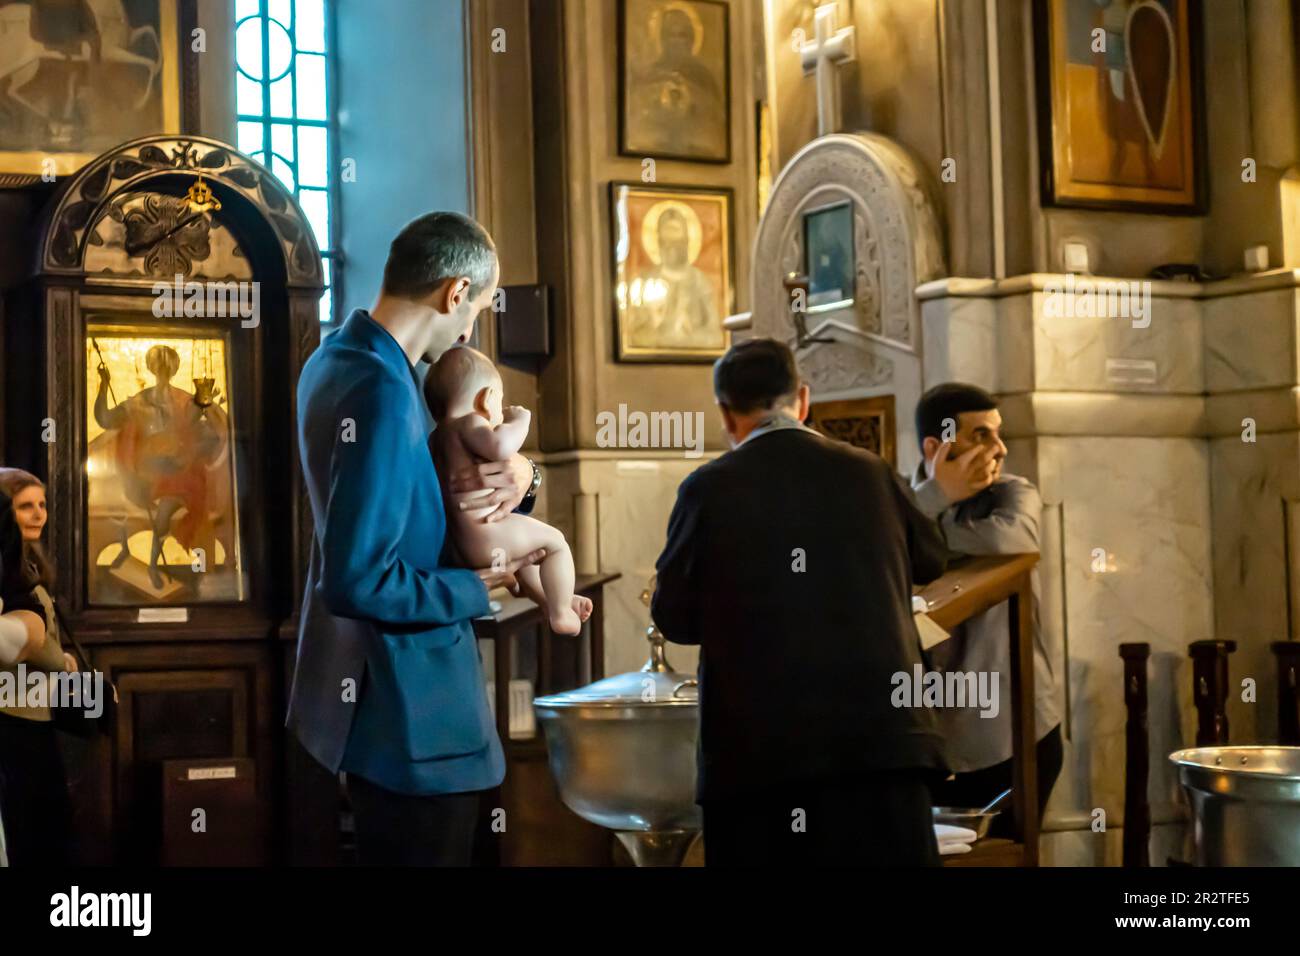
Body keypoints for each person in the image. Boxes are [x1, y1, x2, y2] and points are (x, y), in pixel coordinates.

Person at [289, 212, 545, 866]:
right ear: (455, 293)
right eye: (478, 310)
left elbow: (426, 494)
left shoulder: (342, 359)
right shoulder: (380, 390)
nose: (469, 331)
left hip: (376, 706)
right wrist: (473, 589)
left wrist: (526, 474)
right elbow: (355, 577)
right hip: (412, 718)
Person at [652, 337, 951, 866]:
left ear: (726, 414)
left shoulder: (708, 489)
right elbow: (931, 560)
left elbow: (672, 615)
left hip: (761, 764)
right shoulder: (871, 472)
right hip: (886, 751)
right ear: (804, 400)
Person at [910, 383, 1062, 830]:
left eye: (999, 434)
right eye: (981, 436)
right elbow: (875, 541)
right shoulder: (903, 499)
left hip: (1015, 733)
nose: (999, 449)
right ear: (935, 447)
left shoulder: (1014, 494)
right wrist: (938, 496)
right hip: (934, 739)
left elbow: (1007, 539)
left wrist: (918, 535)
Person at [425, 346, 591, 636]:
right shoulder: (470, 423)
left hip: (459, 545)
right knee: (555, 543)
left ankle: (549, 600)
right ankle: (561, 611)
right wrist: (520, 420)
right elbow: (501, 447)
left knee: (531, 552)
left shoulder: (436, 438)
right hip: (488, 533)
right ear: (486, 399)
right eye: (499, 402)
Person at [0, 469, 76, 867]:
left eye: (42, 505)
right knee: (34, 831)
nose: (38, 514)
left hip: (35, 712)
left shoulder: (27, 562)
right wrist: (59, 661)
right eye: (25, 506)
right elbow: (30, 647)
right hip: (16, 718)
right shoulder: (10, 571)